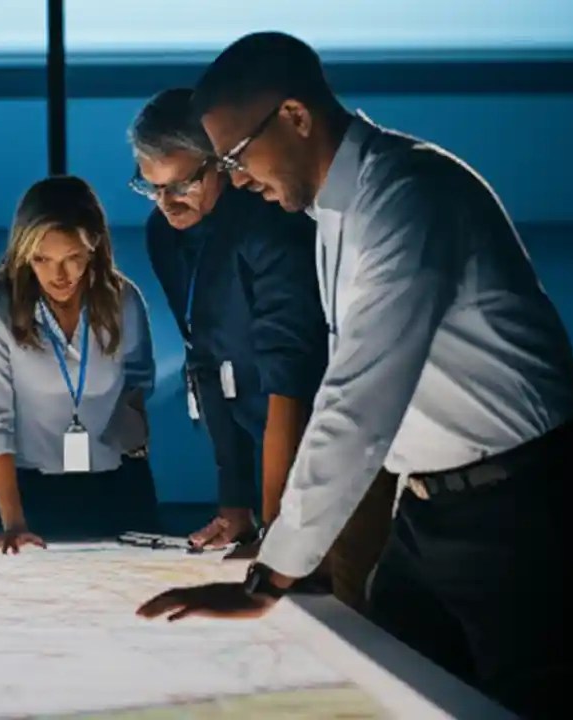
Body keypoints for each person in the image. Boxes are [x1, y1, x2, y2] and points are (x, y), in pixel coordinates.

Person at [136, 31, 573, 719]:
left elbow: (358, 400)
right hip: (431, 508)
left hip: (528, 505)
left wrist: (272, 573)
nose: (237, 180)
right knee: (381, 685)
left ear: (296, 117)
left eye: (237, 158)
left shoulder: (407, 195)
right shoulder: (333, 209)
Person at [130, 88, 395, 612]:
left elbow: (289, 378)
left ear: (222, 162)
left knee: (338, 612)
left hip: (331, 448)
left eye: (183, 185)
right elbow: (202, 358)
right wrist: (236, 505)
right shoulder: (162, 232)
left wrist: (277, 531)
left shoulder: (271, 222)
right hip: (259, 426)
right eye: (151, 188)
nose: (167, 204)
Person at [0, 175, 157, 552]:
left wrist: (132, 422)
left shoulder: (124, 300)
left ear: (94, 249)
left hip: (120, 484)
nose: (60, 276)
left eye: (73, 258)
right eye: (42, 260)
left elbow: (139, 376)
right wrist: (14, 522)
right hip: (32, 493)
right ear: (24, 255)